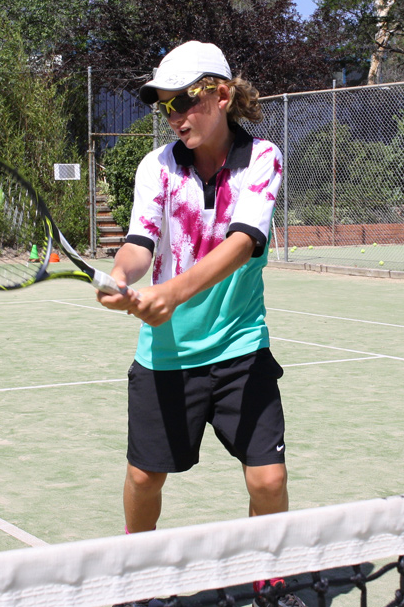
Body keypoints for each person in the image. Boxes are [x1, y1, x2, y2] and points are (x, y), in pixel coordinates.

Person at [97, 41, 301, 607]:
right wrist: (120, 276)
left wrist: (170, 292)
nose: (176, 116)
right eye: (166, 106)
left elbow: (243, 244)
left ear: (222, 94)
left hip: (241, 347)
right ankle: (138, 565)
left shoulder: (263, 159)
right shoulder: (156, 167)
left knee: (269, 480)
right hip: (167, 358)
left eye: (186, 100)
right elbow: (140, 244)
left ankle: (270, 577)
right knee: (143, 480)